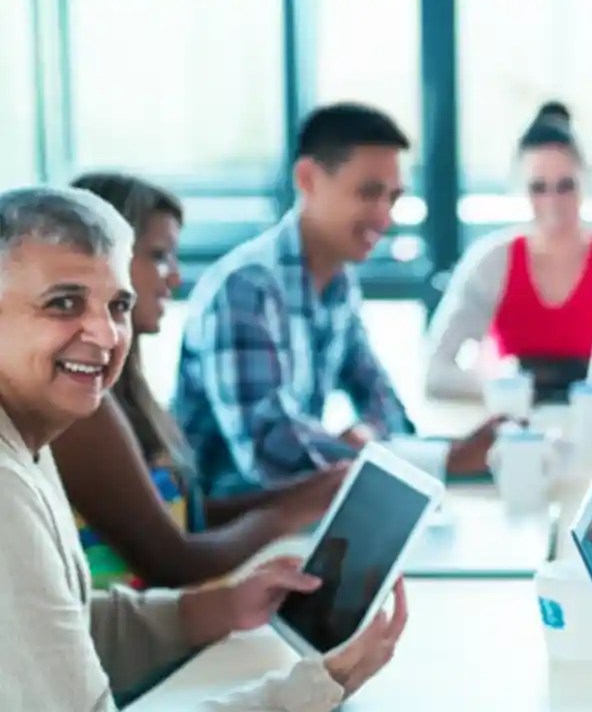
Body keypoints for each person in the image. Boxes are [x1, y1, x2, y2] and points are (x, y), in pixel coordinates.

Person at [0, 186, 407, 710]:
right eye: (63, 303)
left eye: (117, 305)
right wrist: (316, 686)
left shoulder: (32, 436)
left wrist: (220, 607)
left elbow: (65, 627)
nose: (104, 334)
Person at [172, 103, 500, 497]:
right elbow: (271, 456)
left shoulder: (337, 282)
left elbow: (382, 404)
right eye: (368, 193)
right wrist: (447, 458)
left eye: (392, 198)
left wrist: (418, 446)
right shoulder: (245, 289)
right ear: (307, 179)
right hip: (232, 528)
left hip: (300, 514)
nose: (385, 217)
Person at [50, 173, 345, 590]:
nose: (174, 277)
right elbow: (172, 561)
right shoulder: (82, 408)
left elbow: (182, 517)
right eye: (158, 256)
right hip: (133, 643)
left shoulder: (127, 389)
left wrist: (303, 493)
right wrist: (282, 516)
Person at [424, 102, 592, 403]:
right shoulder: (490, 262)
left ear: (586, 182)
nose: (553, 201)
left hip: (589, 424)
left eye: (566, 186)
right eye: (539, 187)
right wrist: (508, 389)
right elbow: (435, 372)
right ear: (519, 189)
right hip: (511, 427)